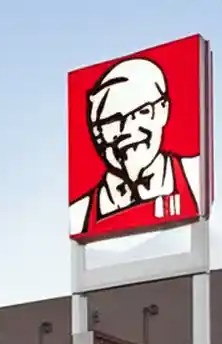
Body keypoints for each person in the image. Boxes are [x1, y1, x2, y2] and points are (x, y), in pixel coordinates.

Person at [69, 57, 202, 239]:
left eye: (142, 112)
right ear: (97, 132)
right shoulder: (78, 216)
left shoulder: (197, 176)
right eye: (112, 121)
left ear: (164, 110)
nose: (128, 130)